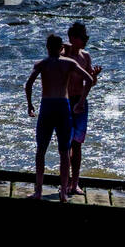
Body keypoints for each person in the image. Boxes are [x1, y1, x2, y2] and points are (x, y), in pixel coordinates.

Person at [25, 34, 95, 201]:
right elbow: (89, 79)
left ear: (47, 47)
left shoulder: (41, 64)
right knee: (64, 152)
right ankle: (64, 192)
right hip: (63, 107)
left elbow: (28, 84)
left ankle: (38, 192)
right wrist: (81, 103)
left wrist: (30, 104)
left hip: (48, 106)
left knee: (41, 150)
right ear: (61, 48)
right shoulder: (69, 63)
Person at [62, 22, 102, 196]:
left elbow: (90, 83)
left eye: (85, 38)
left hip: (81, 101)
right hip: (65, 102)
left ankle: (75, 184)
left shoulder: (85, 56)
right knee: (65, 145)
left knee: (77, 145)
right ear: (72, 38)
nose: (85, 41)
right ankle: (65, 182)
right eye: (82, 38)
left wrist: (94, 76)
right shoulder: (62, 55)